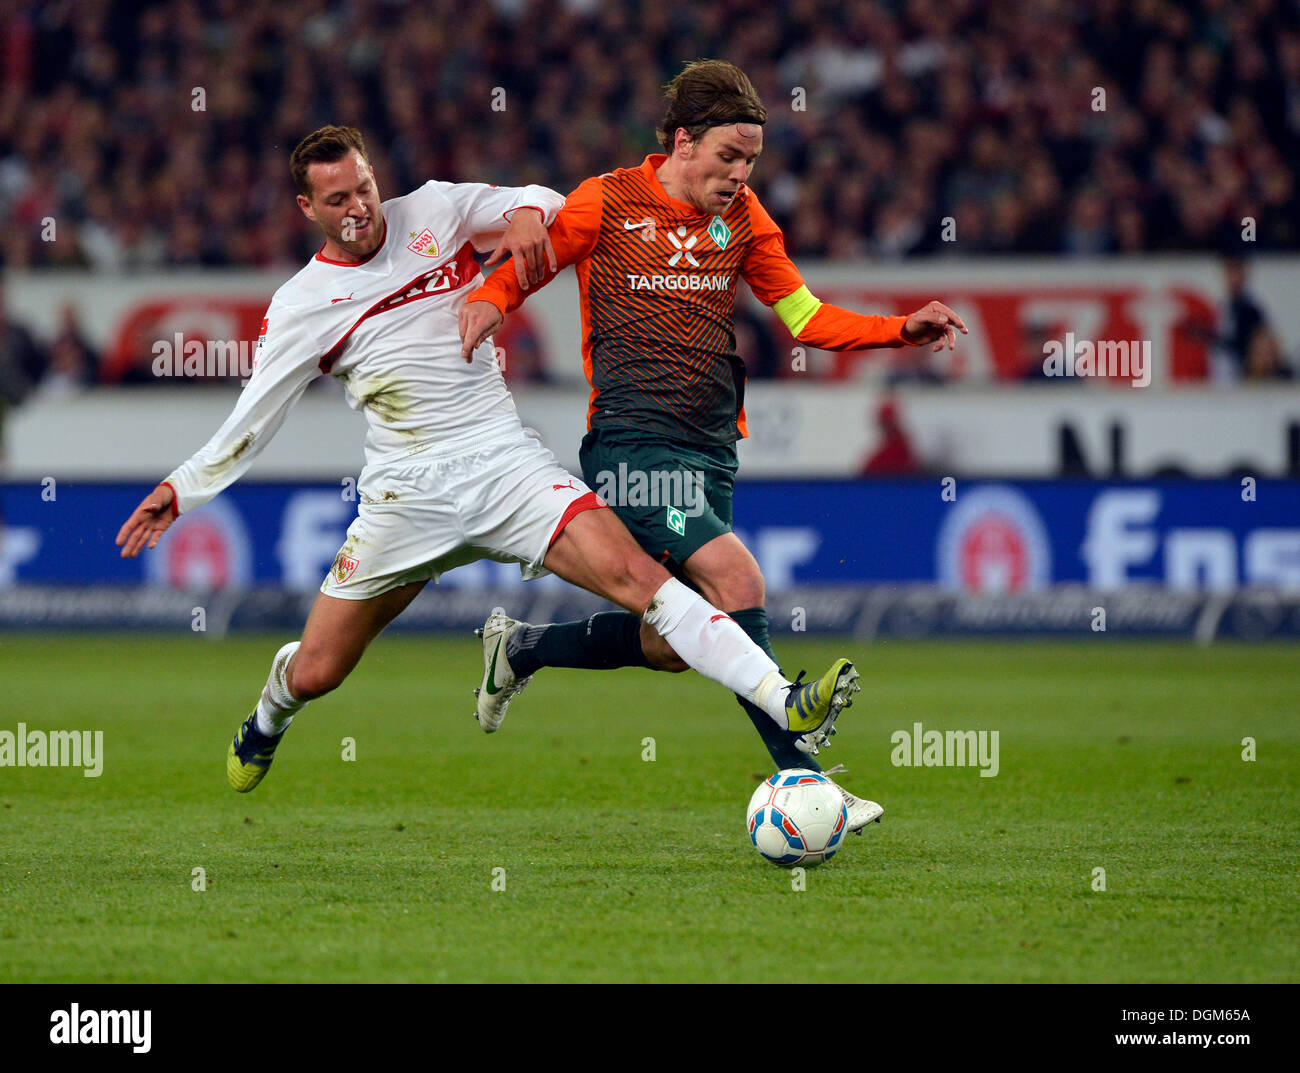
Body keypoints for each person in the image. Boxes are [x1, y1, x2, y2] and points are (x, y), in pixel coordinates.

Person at [115, 125, 859, 794]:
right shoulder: (303, 304)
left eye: (365, 189)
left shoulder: (433, 209)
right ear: (307, 209)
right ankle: (268, 717)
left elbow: (546, 202)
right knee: (318, 671)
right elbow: (254, 416)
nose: (359, 209)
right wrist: (182, 489)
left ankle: (779, 695)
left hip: (504, 463)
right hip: (405, 496)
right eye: (337, 198)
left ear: (378, 178)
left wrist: (530, 211)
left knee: (642, 579)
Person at [459, 61, 967, 832]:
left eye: (751, 162)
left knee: (673, 643)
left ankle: (522, 648)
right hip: (630, 443)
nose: (738, 175)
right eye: (728, 158)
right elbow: (521, 270)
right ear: (683, 141)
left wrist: (898, 329)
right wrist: (486, 305)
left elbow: (804, 315)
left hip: (709, 451)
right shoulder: (606, 202)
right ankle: (803, 770)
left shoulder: (748, 220)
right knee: (738, 577)